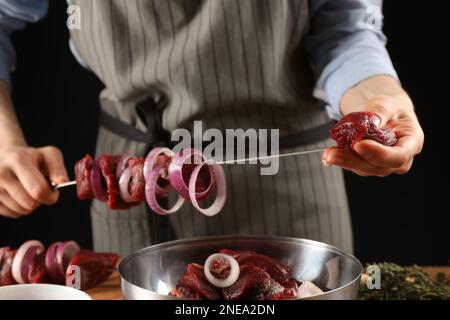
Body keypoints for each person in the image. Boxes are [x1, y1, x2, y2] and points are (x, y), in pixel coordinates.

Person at [0, 0, 424, 256]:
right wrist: (4, 140)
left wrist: (380, 101)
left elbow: (343, 30)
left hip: (289, 186)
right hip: (135, 187)